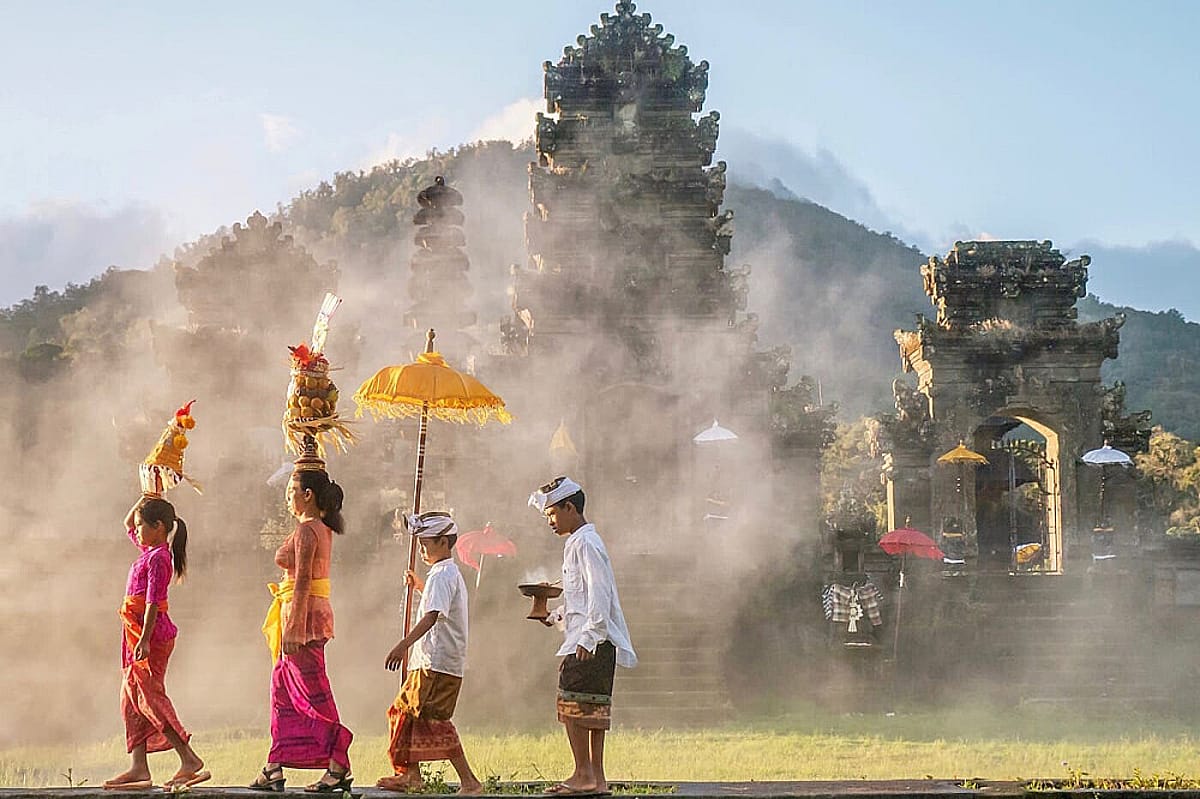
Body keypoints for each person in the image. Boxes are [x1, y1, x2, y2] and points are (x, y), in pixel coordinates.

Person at [529, 477, 637, 796]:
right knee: (589, 707)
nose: (550, 521)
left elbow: (600, 593)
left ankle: (584, 774)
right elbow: (581, 598)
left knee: (573, 703)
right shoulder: (576, 543)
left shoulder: (587, 543)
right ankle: (594, 778)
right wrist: (555, 616)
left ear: (570, 508)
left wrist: (590, 636)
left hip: (593, 641)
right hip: (587, 637)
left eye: (552, 514)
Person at [251, 466, 354, 793]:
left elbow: (304, 582)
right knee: (282, 691)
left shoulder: (309, 531)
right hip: (299, 615)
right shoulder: (313, 528)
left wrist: (294, 630)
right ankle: (274, 766)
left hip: (303, 618)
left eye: (291, 492)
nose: (287, 499)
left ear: (307, 495)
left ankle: (338, 761)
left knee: (311, 691)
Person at [104, 496, 209, 791]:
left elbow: (153, 603)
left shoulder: (160, 558)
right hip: (134, 632)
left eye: (141, 526)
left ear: (159, 527)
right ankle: (139, 767)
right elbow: (126, 523)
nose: (135, 531)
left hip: (151, 634)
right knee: (130, 697)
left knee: (150, 696)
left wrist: (146, 639)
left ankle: (189, 758)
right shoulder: (147, 551)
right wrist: (147, 493)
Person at [377, 511, 483, 795]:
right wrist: (419, 585)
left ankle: (470, 782)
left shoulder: (443, 574)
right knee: (405, 713)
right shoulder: (443, 575)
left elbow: (432, 616)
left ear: (444, 543)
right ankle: (411, 775)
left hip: (436, 663)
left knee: (433, 720)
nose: (422, 550)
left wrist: (403, 645)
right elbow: (437, 605)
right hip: (430, 661)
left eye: (426, 544)